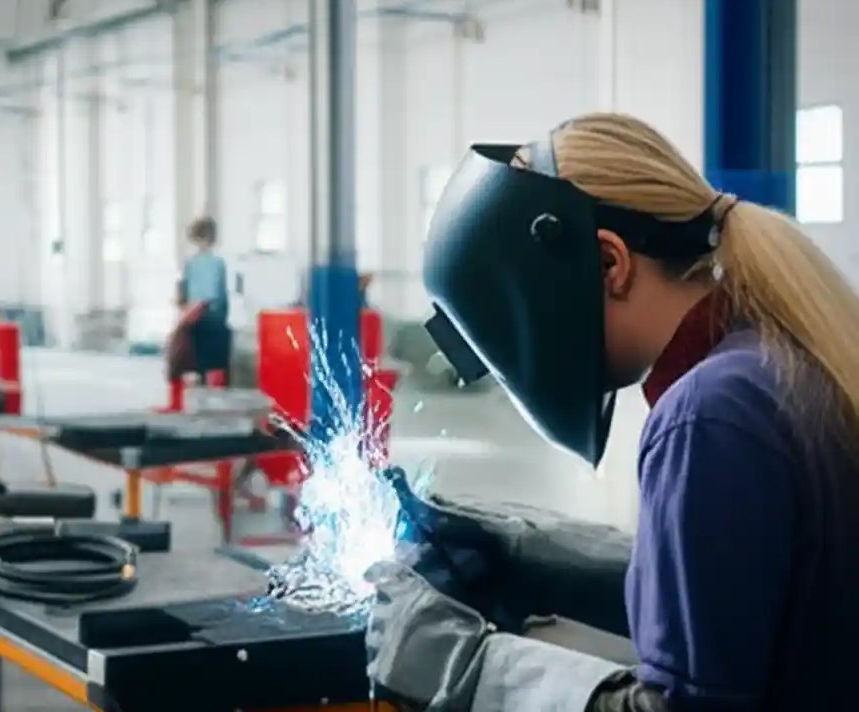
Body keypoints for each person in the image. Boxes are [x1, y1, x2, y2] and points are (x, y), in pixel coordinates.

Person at [368, 113, 859, 711]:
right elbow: (744, 596)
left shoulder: (709, 415)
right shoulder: (774, 362)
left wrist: (461, 663)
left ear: (609, 264)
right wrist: (531, 557)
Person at [178, 216, 231, 384]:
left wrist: (187, 307)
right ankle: (212, 383)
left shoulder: (194, 263)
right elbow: (215, 291)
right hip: (212, 313)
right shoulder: (216, 262)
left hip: (198, 314)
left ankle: (202, 381)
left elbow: (185, 289)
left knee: (199, 356)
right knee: (214, 357)